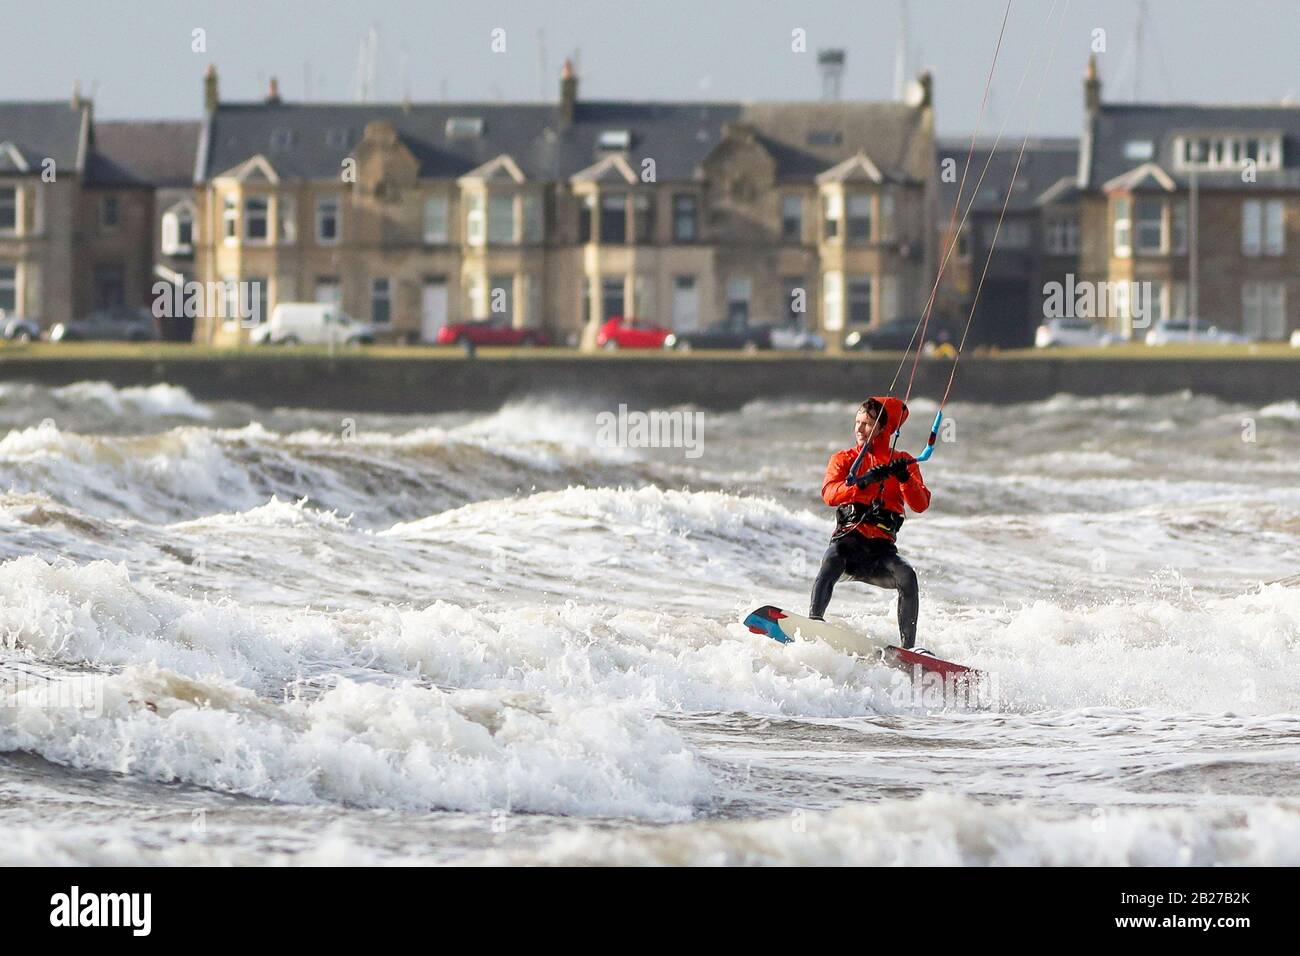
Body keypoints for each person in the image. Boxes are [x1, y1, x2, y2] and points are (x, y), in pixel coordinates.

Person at [809, 396, 931, 649]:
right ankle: (814, 622)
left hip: (881, 553)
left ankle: (909, 650)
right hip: (848, 546)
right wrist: (860, 484)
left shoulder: (904, 462)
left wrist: (904, 478)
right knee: (832, 558)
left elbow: (920, 504)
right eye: (857, 422)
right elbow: (829, 494)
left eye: (867, 423)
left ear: (884, 429)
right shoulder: (843, 459)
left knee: (907, 576)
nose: (859, 429)